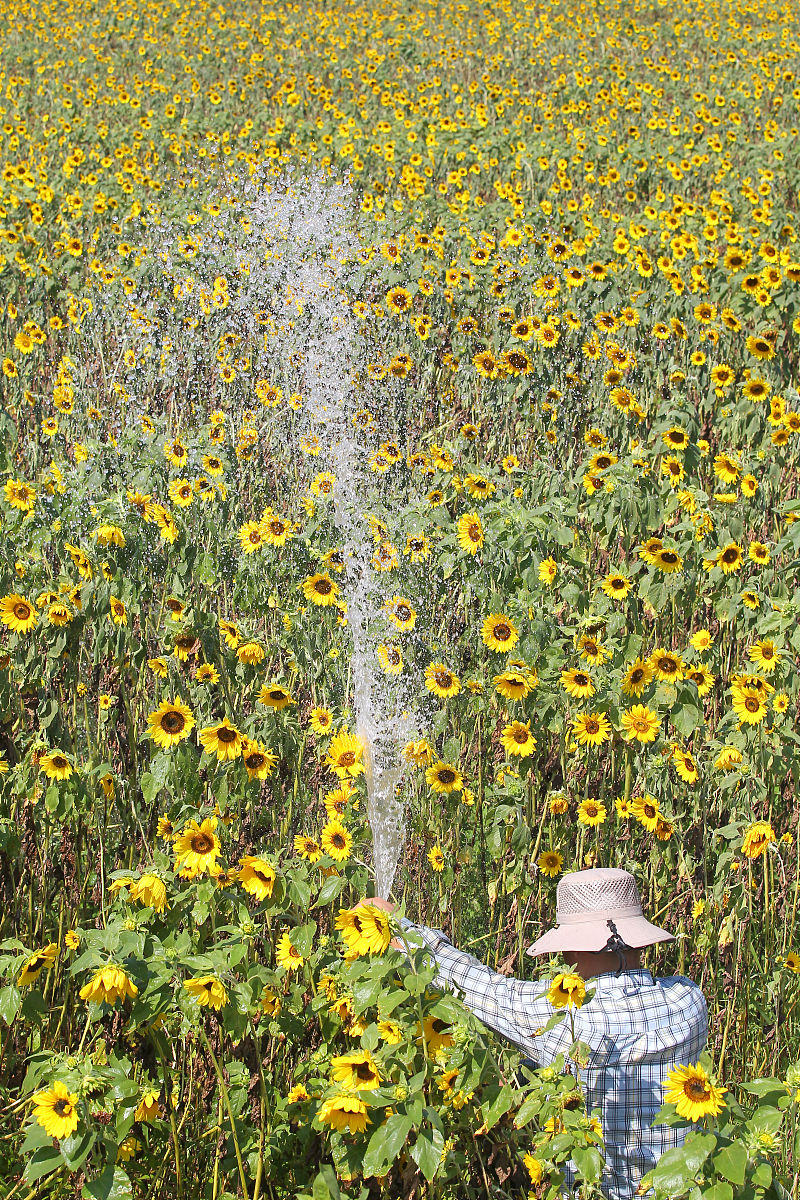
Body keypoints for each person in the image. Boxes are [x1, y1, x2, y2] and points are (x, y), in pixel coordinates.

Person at [365, 867, 707, 1200]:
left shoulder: (563, 1016)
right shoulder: (689, 1001)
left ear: (568, 950)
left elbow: (478, 985)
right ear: (640, 939)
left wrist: (399, 926)